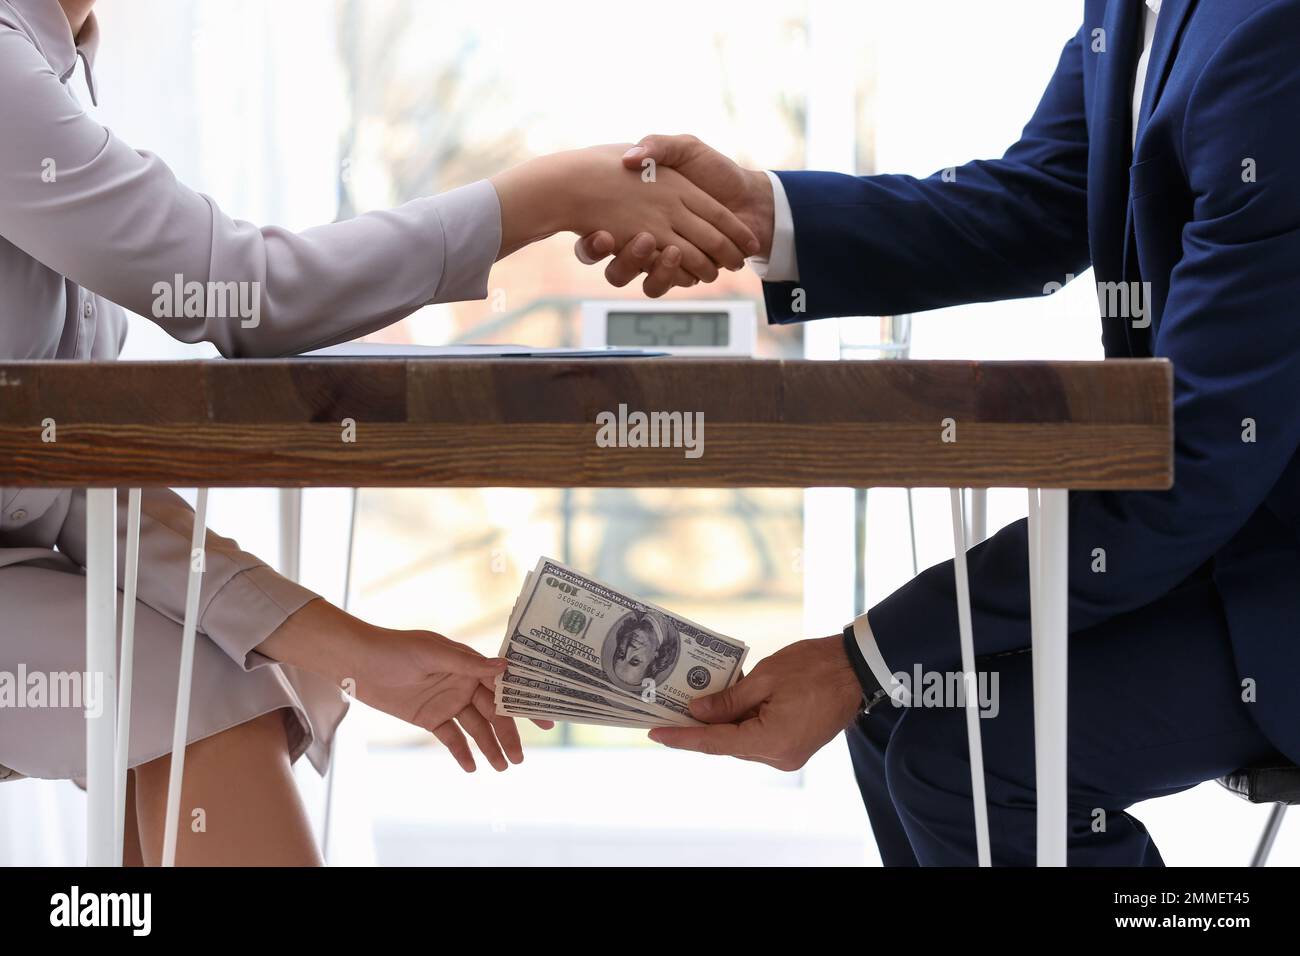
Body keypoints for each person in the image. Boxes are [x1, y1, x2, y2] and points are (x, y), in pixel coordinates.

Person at [0, 0, 756, 865]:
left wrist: (361, 652)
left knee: (210, 691)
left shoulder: (53, 67)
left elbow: (70, 484)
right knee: (201, 703)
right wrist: (548, 195)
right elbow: (242, 288)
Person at [580, 0, 1300, 865]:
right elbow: (1040, 200)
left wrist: (858, 654)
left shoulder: (1273, 34)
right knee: (898, 710)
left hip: (1270, 570)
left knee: (964, 762)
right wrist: (761, 216)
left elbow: (1196, 458)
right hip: (1227, 548)